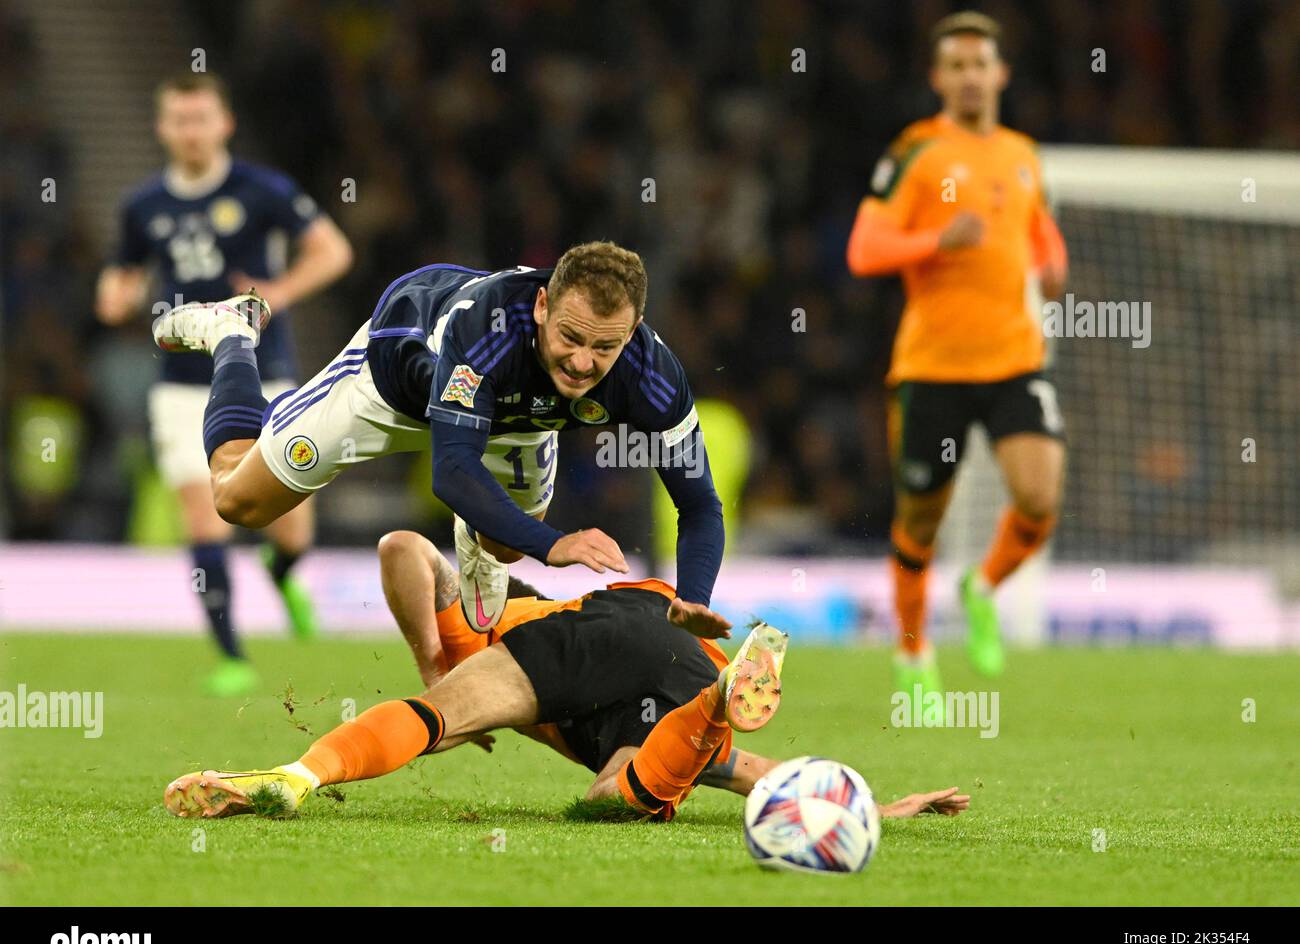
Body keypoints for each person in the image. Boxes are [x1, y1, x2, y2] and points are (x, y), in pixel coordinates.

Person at [165, 530, 970, 823]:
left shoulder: (492, 628)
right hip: (675, 655)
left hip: (604, 630)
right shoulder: (519, 638)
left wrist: (439, 667)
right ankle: (716, 708)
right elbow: (768, 774)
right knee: (623, 791)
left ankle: (297, 778)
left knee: (434, 716)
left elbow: (400, 549)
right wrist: (880, 808)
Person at [152, 242, 730, 640]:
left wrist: (694, 597)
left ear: (631, 334)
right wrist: (554, 544)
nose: (582, 363)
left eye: (604, 347)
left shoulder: (653, 374)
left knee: (505, 544)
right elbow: (450, 469)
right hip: (392, 382)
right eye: (570, 338)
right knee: (236, 501)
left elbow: (699, 503)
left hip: (514, 421)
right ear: (543, 304)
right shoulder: (487, 330)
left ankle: (481, 535)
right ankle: (230, 333)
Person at [95, 72, 353, 696]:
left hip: (269, 374)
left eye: (200, 118)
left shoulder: (263, 191)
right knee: (204, 513)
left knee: (291, 524)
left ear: (224, 123)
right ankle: (231, 656)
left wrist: (278, 295)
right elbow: (117, 281)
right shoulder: (143, 206)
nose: (190, 131)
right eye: (179, 120)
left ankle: (284, 568)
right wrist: (116, 297)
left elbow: (332, 250)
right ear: (163, 127)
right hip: (184, 385)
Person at [846, 11, 1069, 701]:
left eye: (982, 64)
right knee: (920, 522)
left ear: (1000, 74)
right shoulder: (917, 153)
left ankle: (984, 584)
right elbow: (864, 250)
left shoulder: (1022, 153)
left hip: (1013, 362)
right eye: (957, 65)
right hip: (933, 370)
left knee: (1039, 496)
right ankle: (914, 659)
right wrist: (936, 240)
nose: (971, 76)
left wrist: (1054, 261)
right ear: (938, 77)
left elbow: (1038, 234)